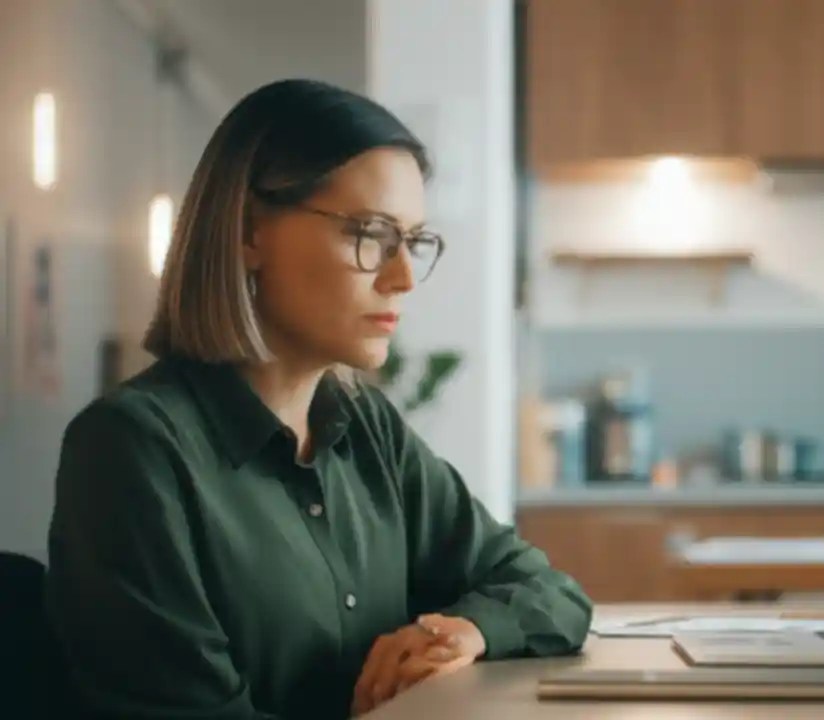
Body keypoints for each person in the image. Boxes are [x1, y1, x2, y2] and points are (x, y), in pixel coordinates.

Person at [45, 79, 592, 720]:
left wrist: (461, 633)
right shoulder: (131, 449)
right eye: (369, 233)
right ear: (249, 232)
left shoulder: (368, 430)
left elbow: (548, 591)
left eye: (412, 241)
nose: (403, 277)